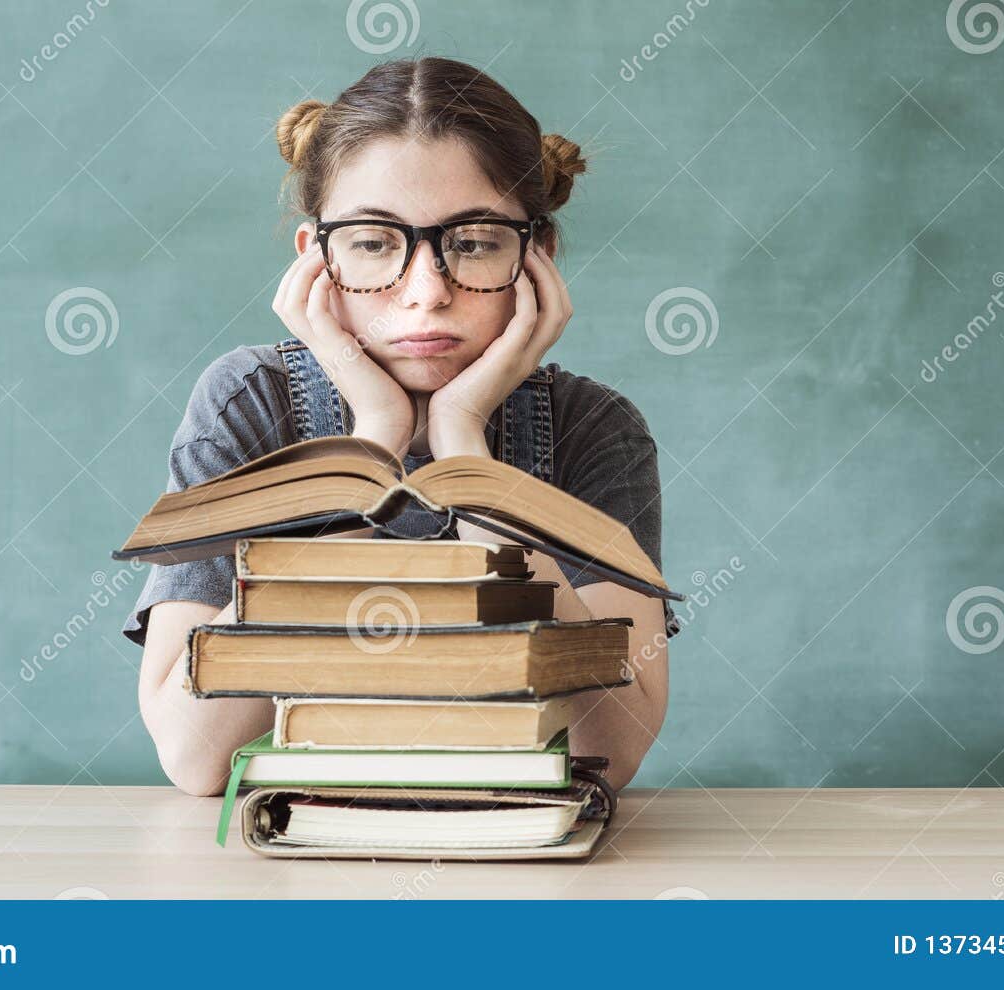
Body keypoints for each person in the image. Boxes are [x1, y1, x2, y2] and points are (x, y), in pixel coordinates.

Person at [124, 56, 680, 797]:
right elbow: (197, 759)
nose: (425, 294)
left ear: (537, 257)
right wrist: (370, 448)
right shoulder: (247, 402)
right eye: (374, 243)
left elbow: (607, 751)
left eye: (475, 242)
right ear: (317, 260)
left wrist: (465, 454)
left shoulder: (593, 429)